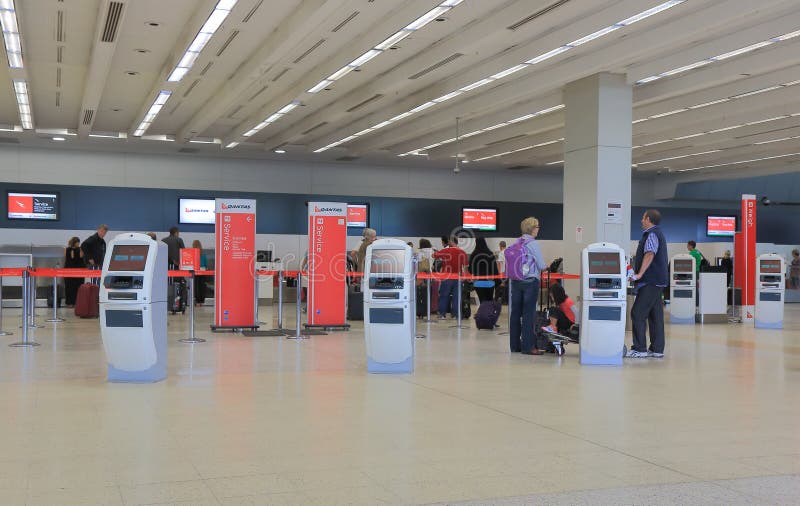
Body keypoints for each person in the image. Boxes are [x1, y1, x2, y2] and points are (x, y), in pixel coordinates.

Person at [627, 209, 669, 359]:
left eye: (643, 217)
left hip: (650, 281)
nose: (641, 220)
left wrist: (639, 274)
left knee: (637, 313)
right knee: (655, 315)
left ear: (649, 219)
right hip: (659, 281)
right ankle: (657, 349)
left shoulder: (652, 234)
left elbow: (650, 254)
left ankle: (640, 348)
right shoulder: (659, 233)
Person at [508, 217, 547, 355]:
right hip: (530, 282)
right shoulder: (533, 244)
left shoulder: (517, 242)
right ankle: (528, 347)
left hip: (516, 282)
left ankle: (514, 346)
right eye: (537, 227)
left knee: (515, 314)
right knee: (528, 315)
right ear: (532, 229)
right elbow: (542, 265)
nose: (538, 230)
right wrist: (546, 267)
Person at [433, 236, 468, 319]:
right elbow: (466, 267)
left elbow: (434, 255)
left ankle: (442, 314)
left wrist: (435, 253)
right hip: (458, 278)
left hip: (447, 277)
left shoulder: (446, 251)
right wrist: (465, 277)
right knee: (456, 297)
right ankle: (455, 314)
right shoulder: (462, 252)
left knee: (444, 296)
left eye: (449, 241)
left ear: (451, 242)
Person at [469, 236, 498, 304]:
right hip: (489, 282)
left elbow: (470, 270)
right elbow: (494, 269)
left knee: (482, 300)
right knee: (489, 300)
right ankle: (489, 313)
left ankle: (483, 312)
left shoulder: (473, 254)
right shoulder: (490, 253)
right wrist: (497, 281)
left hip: (478, 282)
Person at [63, 236, 85, 307]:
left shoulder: (66, 249)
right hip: (78, 270)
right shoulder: (80, 249)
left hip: (68, 270)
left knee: (69, 287)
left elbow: (67, 258)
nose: (78, 244)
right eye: (78, 243)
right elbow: (81, 257)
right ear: (75, 243)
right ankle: (76, 302)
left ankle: (69, 303)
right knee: (77, 287)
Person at [192, 239, 207, 306]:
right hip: (203, 270)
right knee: (202, 286)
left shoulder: (193, 253)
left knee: (196, 286)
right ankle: (202, 301)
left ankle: (197, 301)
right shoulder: (203, 253)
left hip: (195, 270)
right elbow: (206, 264)